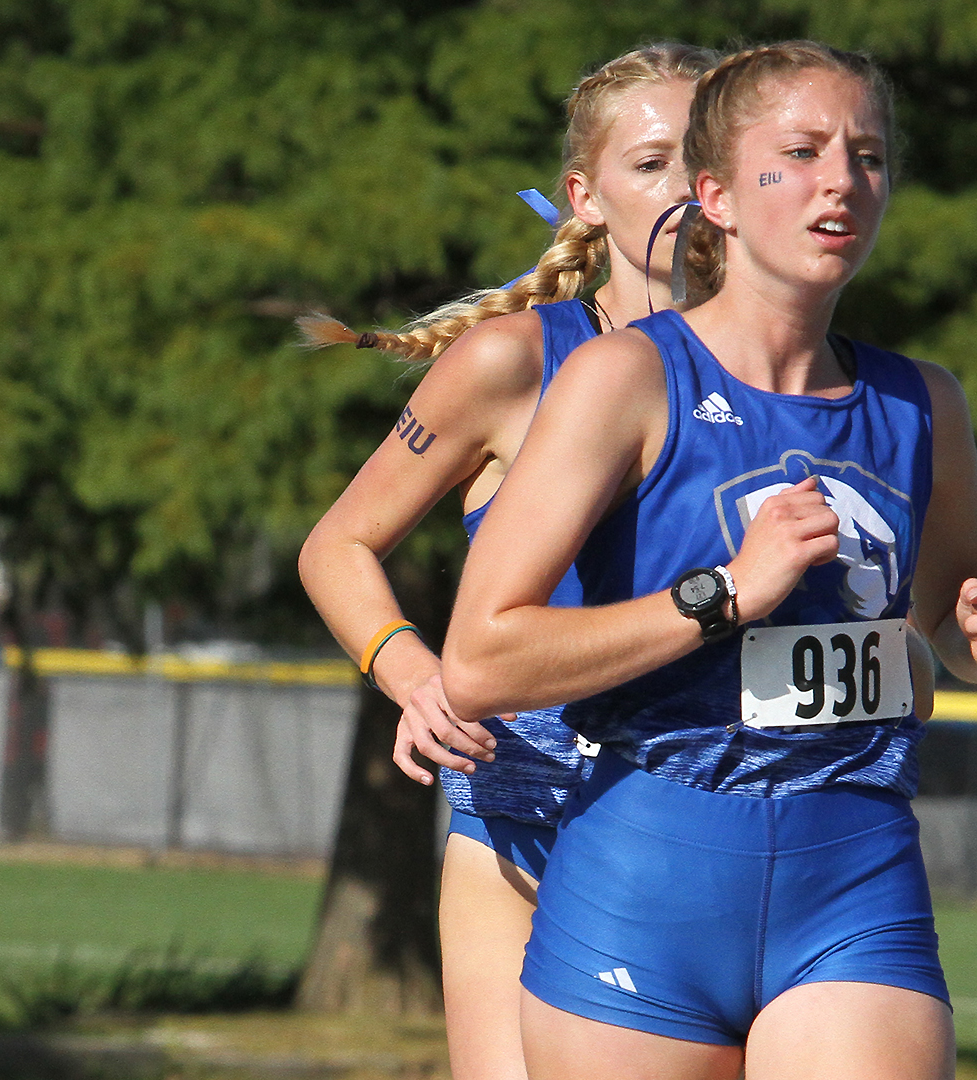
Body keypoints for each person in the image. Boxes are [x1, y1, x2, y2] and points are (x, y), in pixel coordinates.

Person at [440, 40, 977, 1080]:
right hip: (644, 883)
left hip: (853, 877)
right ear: (714, 195)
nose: (841, 183)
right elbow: (482, 661)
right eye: (801, 152)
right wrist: (725, 596)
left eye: (868, 156)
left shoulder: (922, 402)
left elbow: (953, 609)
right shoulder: (623, 378)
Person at [296, 43, 718, 1080]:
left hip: (717, 838)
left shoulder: (795, 373)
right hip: (522, 830)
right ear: (585, 195)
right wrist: (412, 675)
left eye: (705, 161)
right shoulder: (515, 359)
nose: (684, 194)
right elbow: (338, 541)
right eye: (652, 163)